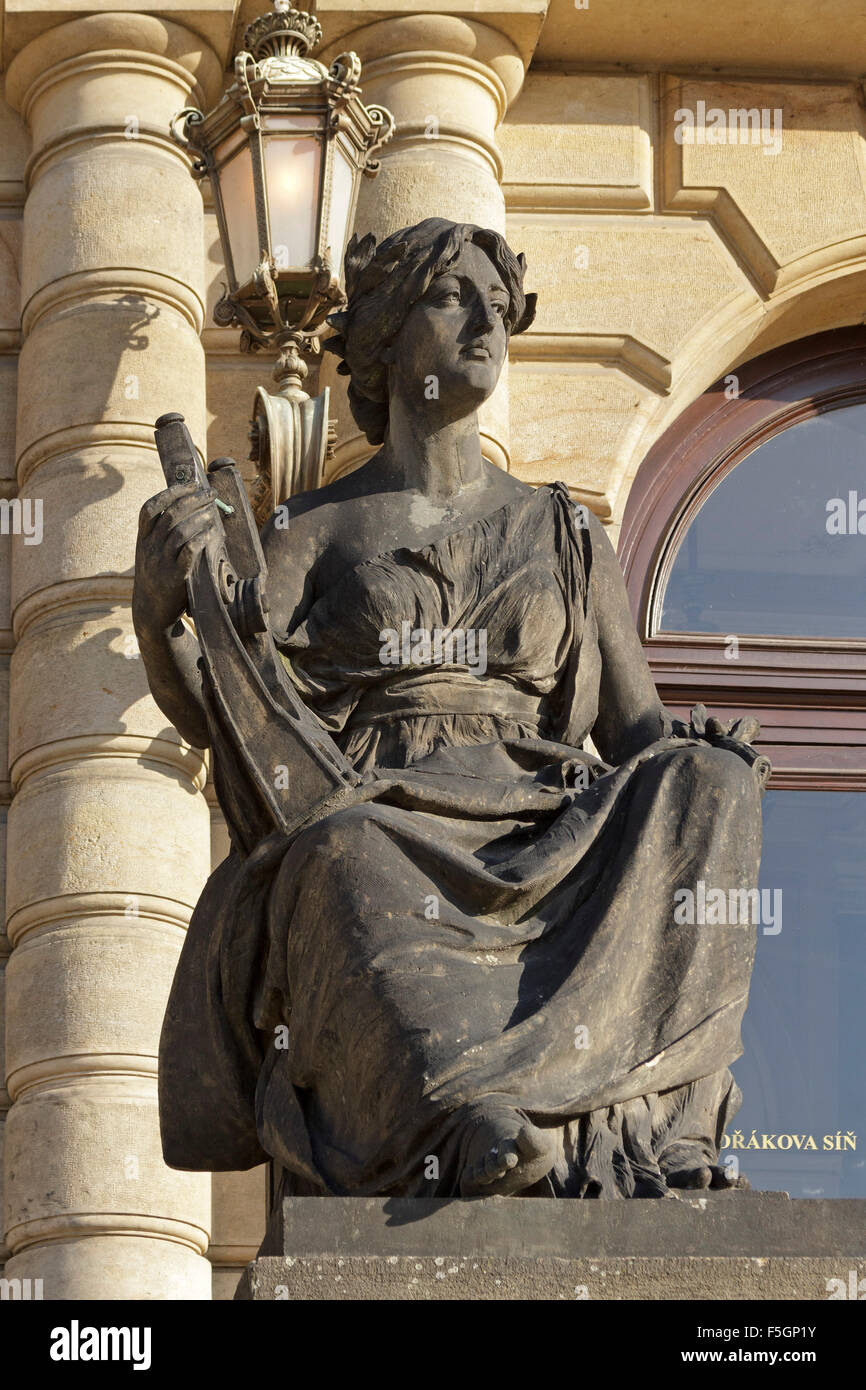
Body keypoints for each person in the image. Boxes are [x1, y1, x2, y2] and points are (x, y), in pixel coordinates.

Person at [134, 218, 767, 1199]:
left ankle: (661, 1123)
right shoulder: (310, 530)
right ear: (386, 340)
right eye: (447, 296)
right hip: (383, 808)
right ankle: (463, 1120)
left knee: (708, 785)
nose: (483, 321)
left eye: (495, 303)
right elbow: (234, 718)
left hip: (544, 815)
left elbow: (638, 734)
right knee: (335, 852)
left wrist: (707, 765)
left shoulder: (565, 531)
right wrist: (158, 610)